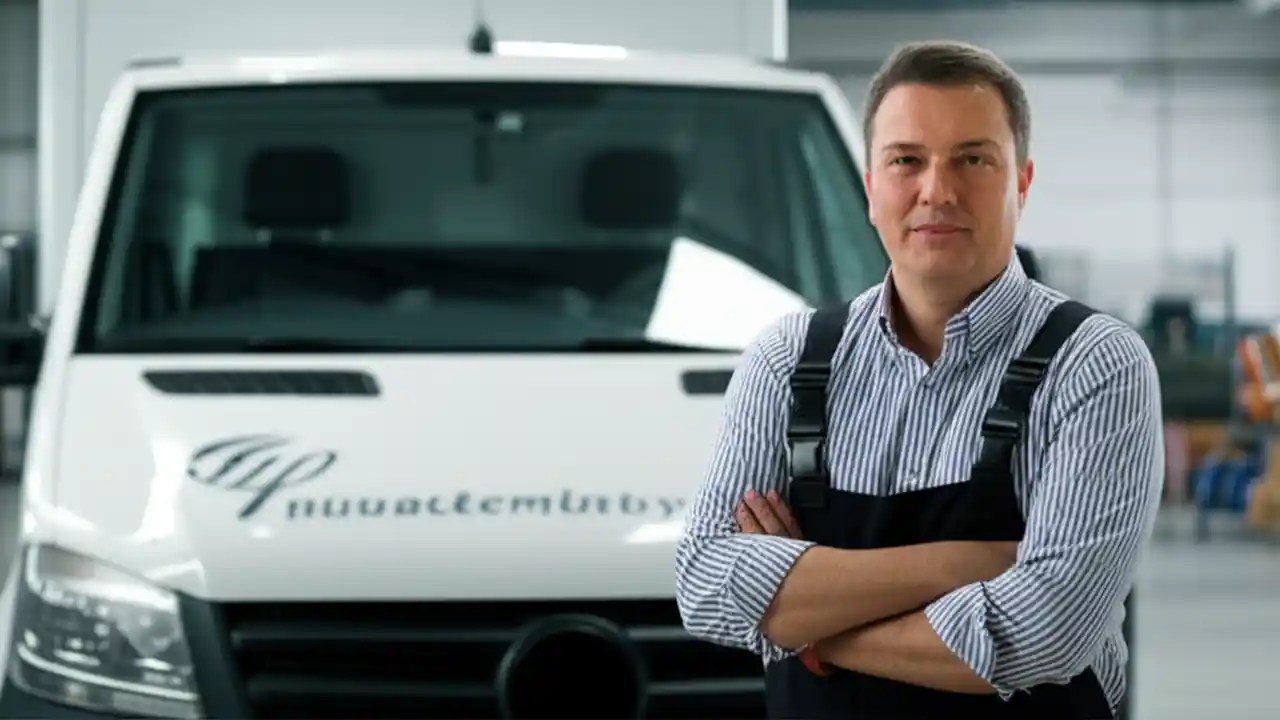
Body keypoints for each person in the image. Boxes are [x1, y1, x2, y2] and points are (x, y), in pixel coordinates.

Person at [674, 39, 1162, 720]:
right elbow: (705, 585)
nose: (938, 189)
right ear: (871, 187)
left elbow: (1047, 630)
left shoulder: (1093, 364)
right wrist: (963, 564)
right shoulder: (786, 362)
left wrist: (805, 625)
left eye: (973, 159)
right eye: (907, 160)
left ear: (1021, 181)